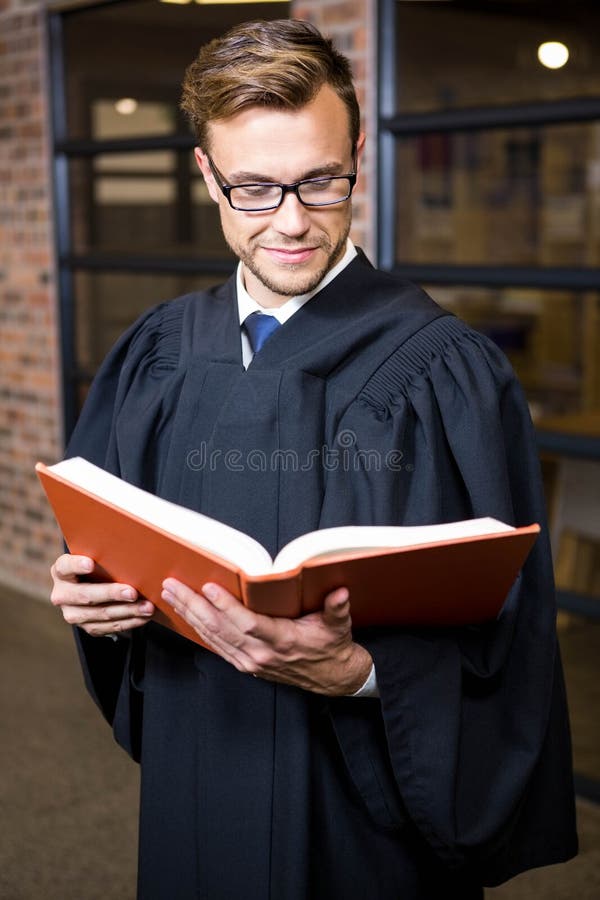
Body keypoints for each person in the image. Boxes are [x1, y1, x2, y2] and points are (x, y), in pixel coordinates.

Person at [49, 18, 577, 900]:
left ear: (358, 156)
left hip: (360, 823)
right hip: (194, 765)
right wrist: (91, 600)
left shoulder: (445, 373)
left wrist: (364, 675)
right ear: (204, 174)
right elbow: (108, 547)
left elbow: (510, 645)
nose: (291, 221)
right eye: (252, 188)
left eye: (320, 182)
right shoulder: (159, 353)